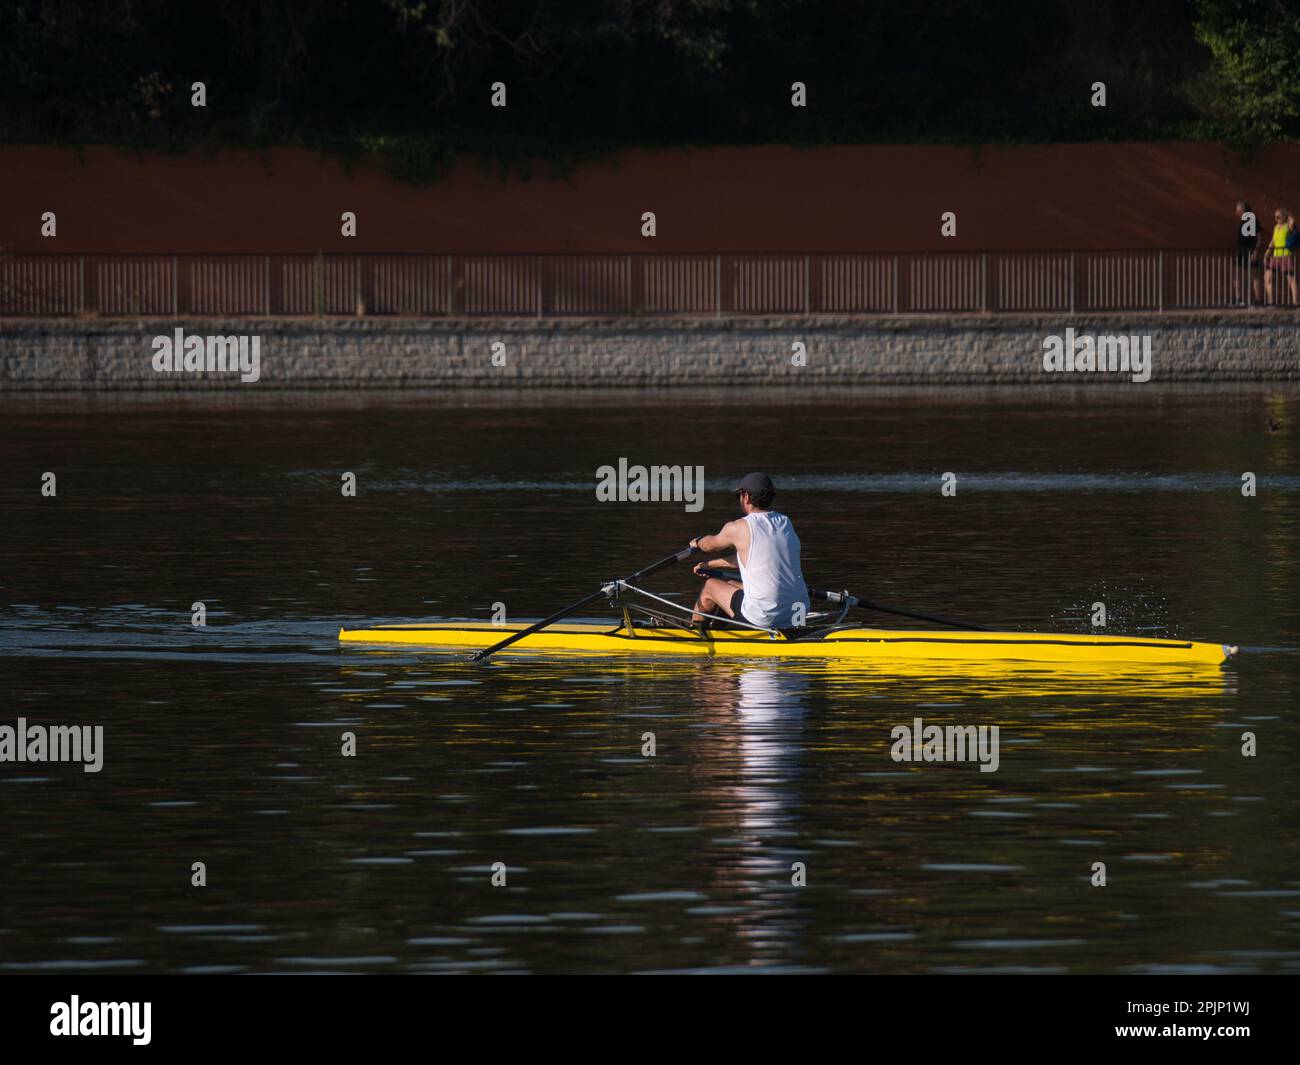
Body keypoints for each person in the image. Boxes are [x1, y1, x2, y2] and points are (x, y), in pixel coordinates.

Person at [689, 472, 810, 631]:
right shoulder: (785, 523)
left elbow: (711, 545)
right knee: (731, 585)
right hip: (799, 612)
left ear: (745, 497)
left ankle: (694, 633)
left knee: (711, 586)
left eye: (739, 495)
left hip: (766, 616)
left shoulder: (738, 527)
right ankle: (719, 630)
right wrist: (710, 565)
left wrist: (697, 542)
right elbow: (751, 558)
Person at [1263, 207, 1294, 306]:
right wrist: (1267, 253)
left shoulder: (1287, 226)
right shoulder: (1276, 227)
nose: (1276, 219)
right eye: (1275, 217)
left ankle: (1296, 302)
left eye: (1278, 217)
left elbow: (1292, 220)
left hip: (1285, 255)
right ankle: (1271, 301)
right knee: (1267, 278)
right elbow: (1273, 241)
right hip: (1275, 256)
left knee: (1291, 280)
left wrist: (1288, 215)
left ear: (1284, 217)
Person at [1234, 201, 1261, 306]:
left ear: (1243, 209)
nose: (1236, 212)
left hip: (1250, 251)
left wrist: (1255, 250)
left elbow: (1258, 237)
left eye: (1238, 210)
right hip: (1241, 251)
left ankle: (1257, 300)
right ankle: (1238, 299)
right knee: (1236, 275)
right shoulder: (1243, 220)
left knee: (1254, 275)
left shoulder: (1252, 219)